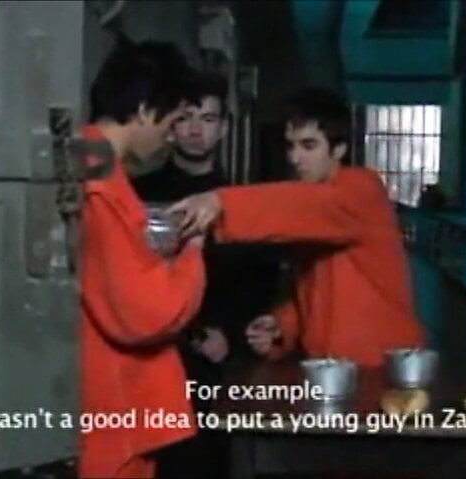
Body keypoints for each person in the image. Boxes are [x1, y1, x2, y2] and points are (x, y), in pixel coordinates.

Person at [167, 87, 426, 367]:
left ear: (339, 149)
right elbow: (317, 291)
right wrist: (282, 327)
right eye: (290, 146)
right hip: (331, 369)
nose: (295, 158)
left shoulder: (362, 190)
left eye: (308, 146)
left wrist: (221, 203)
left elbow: (307, 203)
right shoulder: (313, 215)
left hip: (384, 367)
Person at [131, 71, 281, 478]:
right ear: (170, 124)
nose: (196, 130)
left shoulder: (243, 202)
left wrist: (231, 335)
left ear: (225, 127)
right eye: (186, 118)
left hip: (219, 362)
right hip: (152, 352)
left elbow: (263, 286)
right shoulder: (139, 194)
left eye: (208, 119)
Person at [78, 40, 206, 479]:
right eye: (171, 123)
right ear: (145, 111)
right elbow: (146, 312)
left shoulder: (90, 160)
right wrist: (192, 250)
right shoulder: (99, 183)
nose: (172, 137)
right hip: (112, 404)